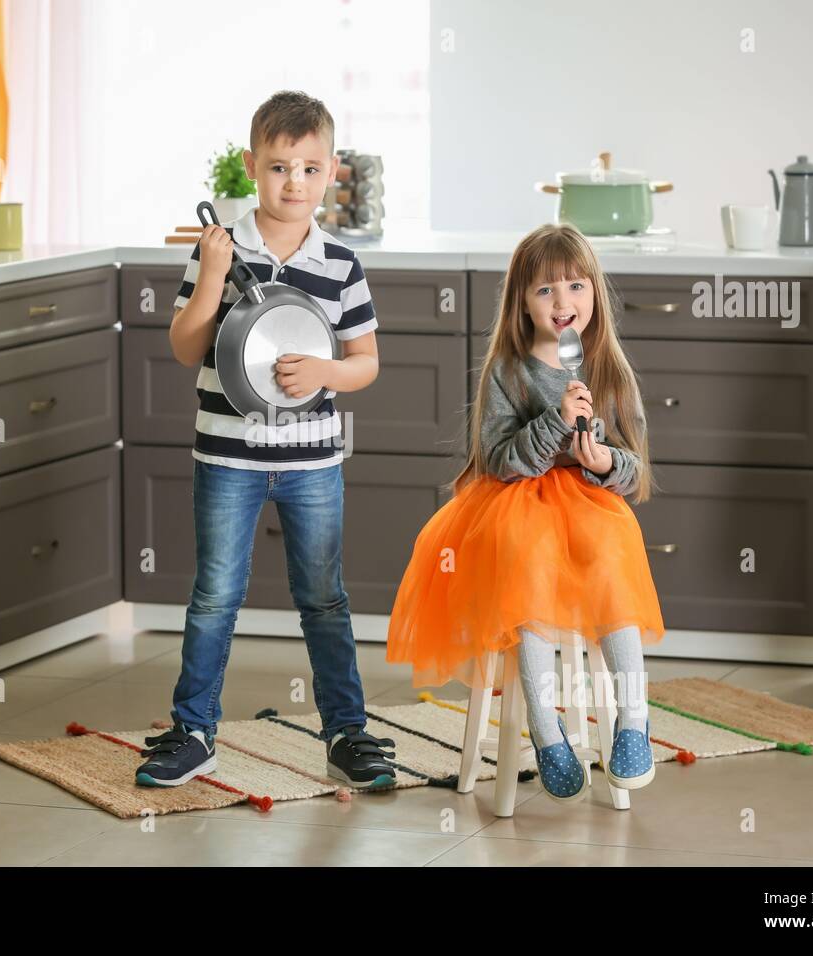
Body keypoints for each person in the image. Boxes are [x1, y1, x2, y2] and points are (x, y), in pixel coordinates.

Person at [136, 91, 397, 790]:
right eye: (279, 167)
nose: (294, 183)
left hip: (313, 461)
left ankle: (346, 731)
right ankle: (194, 732)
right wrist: (214, 276)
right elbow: (187, 347)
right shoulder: (217, 248)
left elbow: (366, 361)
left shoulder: (340, 263)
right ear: (252, 166)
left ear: (332, 172)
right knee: (215, 595)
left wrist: (326, 371)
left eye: (310, 169)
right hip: (228, 457)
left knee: (324, 597)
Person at [386, 223, 666, 801]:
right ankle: (546, 729)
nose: (563, 302)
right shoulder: (508, 372)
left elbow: (636, 472)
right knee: (526, 568)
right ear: (521, 301)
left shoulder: (610, 370)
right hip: (514, 505)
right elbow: (498, 461)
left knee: (614, 557)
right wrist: (556, 421)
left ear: (595, 293)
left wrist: (602, 458)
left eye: (575, 287)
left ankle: (634, 721)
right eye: (545, 291)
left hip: (590, 506)